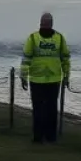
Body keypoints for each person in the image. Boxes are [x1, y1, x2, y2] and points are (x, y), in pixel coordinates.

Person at [20, 12, 71, 144]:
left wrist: (66, 75)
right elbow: (26, 58)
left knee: (51, 109)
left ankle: (51, 137)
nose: (45, 24)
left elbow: (65, 58)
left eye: (47, 22)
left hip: (54, 79)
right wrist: (23, 76)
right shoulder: (33, 38)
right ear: (40, 23)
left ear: (51, 24)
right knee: (38, 109)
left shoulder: (59, 38)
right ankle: (38, 137)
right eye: (44, 22)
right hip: (36, 79)